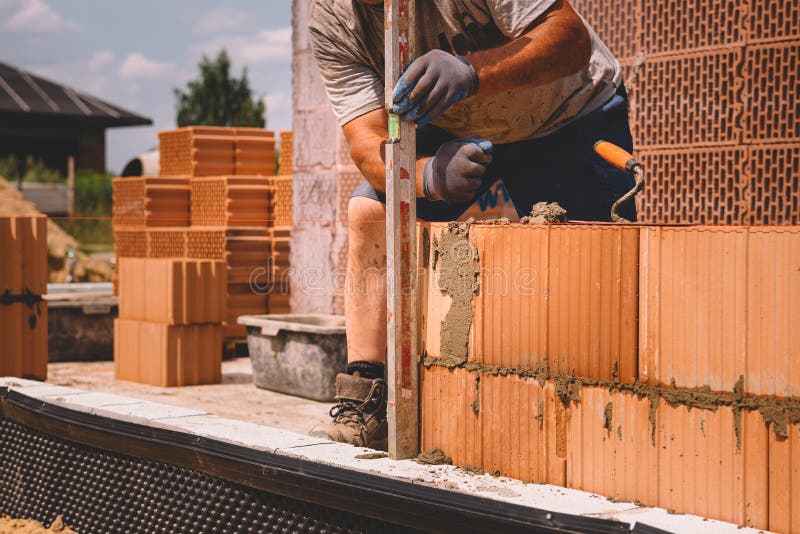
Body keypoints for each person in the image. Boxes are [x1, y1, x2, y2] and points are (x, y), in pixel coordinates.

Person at [308, 0, 636, 449]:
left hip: (566, 111)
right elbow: (366, 139)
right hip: (453, 121)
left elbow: (569, 38)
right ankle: (364, 401)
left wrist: (470, 71)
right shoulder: (333, 19)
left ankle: (603, 418)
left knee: (590, 274)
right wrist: (423, 175)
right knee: (372, 212)